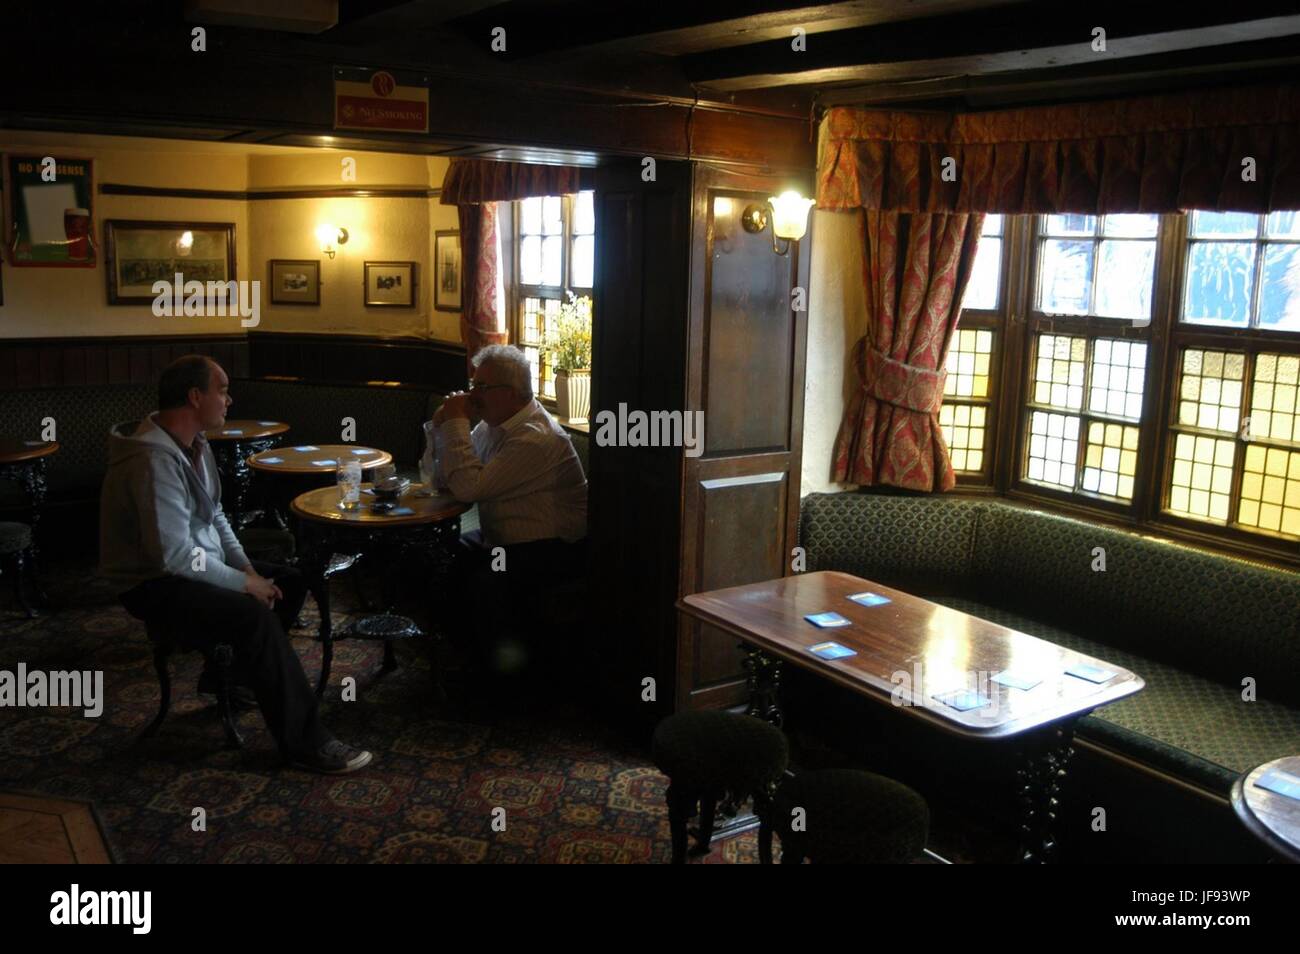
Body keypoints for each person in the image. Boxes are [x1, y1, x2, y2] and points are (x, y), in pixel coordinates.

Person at [99, 355, 372, 774]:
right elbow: (171, 557)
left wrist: (247, 571)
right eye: (222, 390)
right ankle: (306, 744)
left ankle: (230, 676)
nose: (230, 399)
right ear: (195, 397)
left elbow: (215, 515)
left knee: (290, 582)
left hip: (191, 566)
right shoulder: (151, 460)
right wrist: (245, 587)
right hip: (151, 582)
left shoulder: (195, 443)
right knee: (253, 617)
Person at [422, 345, 587, 670]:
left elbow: (469, 489)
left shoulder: (536, 438)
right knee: (438, 557)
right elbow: (443, 481)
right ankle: (460, 658)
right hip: (504, 540)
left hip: (554, 548)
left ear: (510, 394)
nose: (473, 394)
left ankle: (506, 685)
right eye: (474, 384)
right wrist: (442, 426)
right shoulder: (492, 426)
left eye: (482, 387)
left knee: (486, 583)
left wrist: (455, 423)